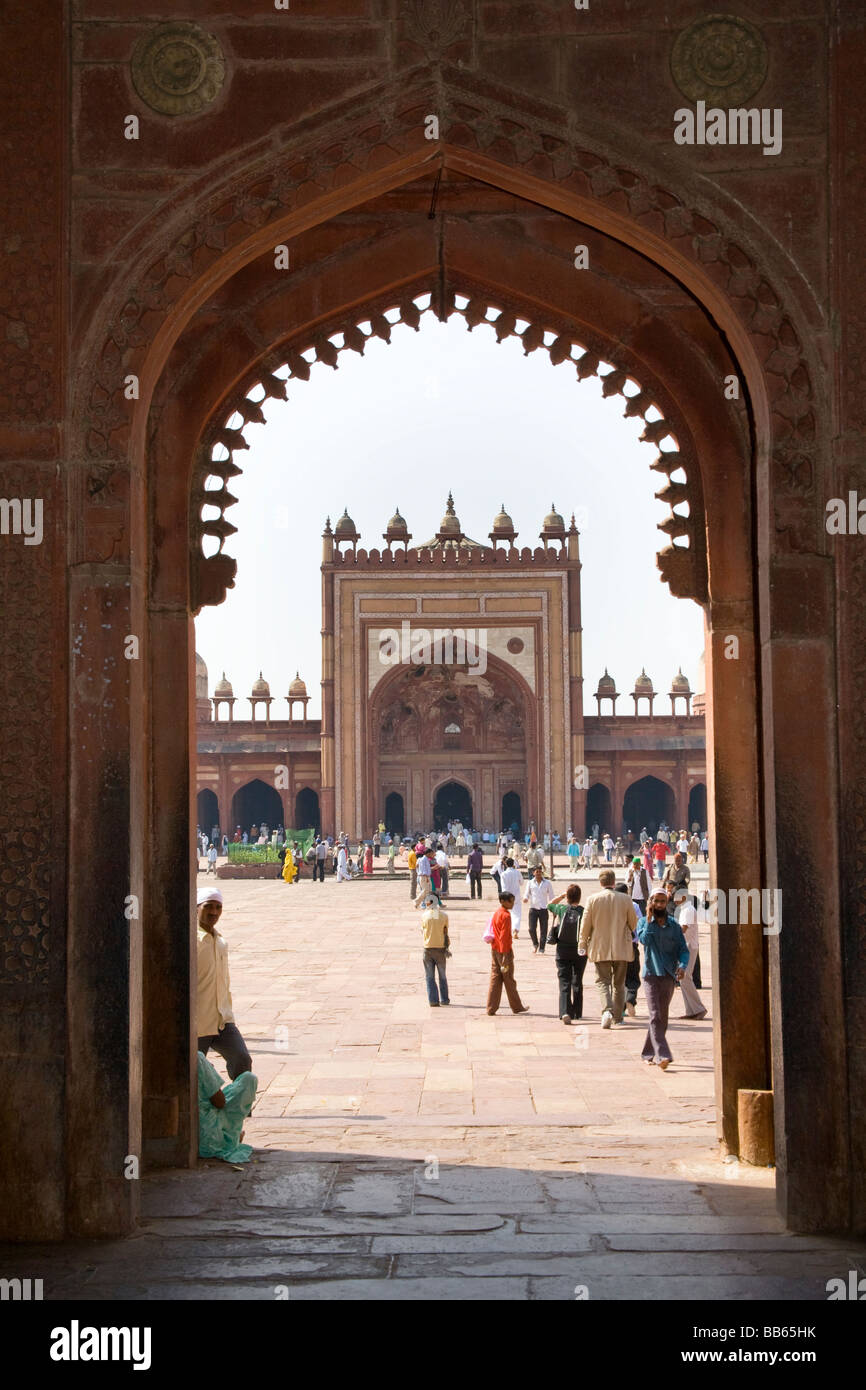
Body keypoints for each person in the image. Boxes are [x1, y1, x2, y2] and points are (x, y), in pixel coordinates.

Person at [196, 887, 253, 1080]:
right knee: (194, 1072)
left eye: (218, 907)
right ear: (196, 908)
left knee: (242, 1060)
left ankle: (242, 1109)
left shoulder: (220, 942)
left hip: (222, 1019)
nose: (213, 912)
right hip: (198, 1021)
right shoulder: (192, 941)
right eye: (208, 907)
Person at [636, 890, 690, 1068]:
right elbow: (644, 940)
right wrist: (650, 919)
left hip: (668, 975)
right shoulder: (644, 922)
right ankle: (663, 1055)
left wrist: (682, 966)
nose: (659, 905)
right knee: (655, 1015)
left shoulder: (673, 925)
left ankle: (648, 1052)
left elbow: (683, 949)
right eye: (656, 901)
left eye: (662, 902)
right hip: (651, 973)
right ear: (651, 902)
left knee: (662, 1018)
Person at [578, 869, 637, 1028]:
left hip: (600, 946)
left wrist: (582, 944)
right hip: (621, 947)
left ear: (600, 882)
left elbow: (585, 925)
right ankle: (618, 1017)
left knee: (602, 981)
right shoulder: (625, 899)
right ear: (613, 881)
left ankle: (607, 1010)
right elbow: (633, 923)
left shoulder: (592, 899)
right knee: (619, 983)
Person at [197, 1050, 257, 1164]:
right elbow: (219, 1102)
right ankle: (231, 1137)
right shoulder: (197, 1058)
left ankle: (232, 1135)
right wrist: (209, 1070)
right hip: (210, 1136)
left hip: (203, 1130)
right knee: (249, 1079)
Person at [486, 892, 530, 1016]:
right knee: (509, 979)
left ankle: (491, 1007)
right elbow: (504, 936)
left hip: (495, 949)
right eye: (510, 901)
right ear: (503, 901)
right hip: (503, 951)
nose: (512, 903)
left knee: (495, 978)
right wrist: (505, 955)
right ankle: (516, 1006)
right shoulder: (505, 915)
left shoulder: (497, 913)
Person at [548, 884, 587, 1023]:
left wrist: (562, 896)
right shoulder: (584, 911)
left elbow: (549, 904)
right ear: (580, 896)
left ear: (568, 897)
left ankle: (565, 1011)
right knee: (577, 980)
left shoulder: (561, 908)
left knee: (564, 980)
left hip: (562, 949)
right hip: (580, 950)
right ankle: (577, 1012)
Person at [672, 890, 707, 1019]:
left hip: (689, 947)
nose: (675, 900)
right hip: (686, 946)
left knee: (685, 977)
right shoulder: (684, 909)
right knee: (683, 978)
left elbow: (683, 929)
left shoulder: (688, 910)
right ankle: (692, 1010)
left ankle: (698, 1008)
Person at [419, 892, 450, 1007]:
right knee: (442, 975)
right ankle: (444, 999)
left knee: (429, 976)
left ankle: (433, 1000)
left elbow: (422, 930)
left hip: (428, 948)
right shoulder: (444, 916)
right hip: (441, 948)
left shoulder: (424, 916)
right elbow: (445, 931)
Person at [523, 863, 555, 954]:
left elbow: (551, 896)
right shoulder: (530, 883)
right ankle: (535, 944)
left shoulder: (547, 883)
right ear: (533, 873)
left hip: (543, 909)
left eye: (540, 872)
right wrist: (525, 898)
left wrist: (553, 908)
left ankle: (542, 948)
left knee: (543, 930)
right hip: (533, 908)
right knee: (531, 929)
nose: (538, 874)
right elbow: (526, 893)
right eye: (537, 872)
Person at [499, 856, 523, 939]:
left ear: (505, 864)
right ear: (513, 864)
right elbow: (522, 882)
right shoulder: (517, 872)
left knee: (507, 914)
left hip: (507, 896)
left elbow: (503, 888)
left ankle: (507, 930)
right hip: (516, 896)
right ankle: (515, 930)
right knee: (517, 914)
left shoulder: (503, 874)